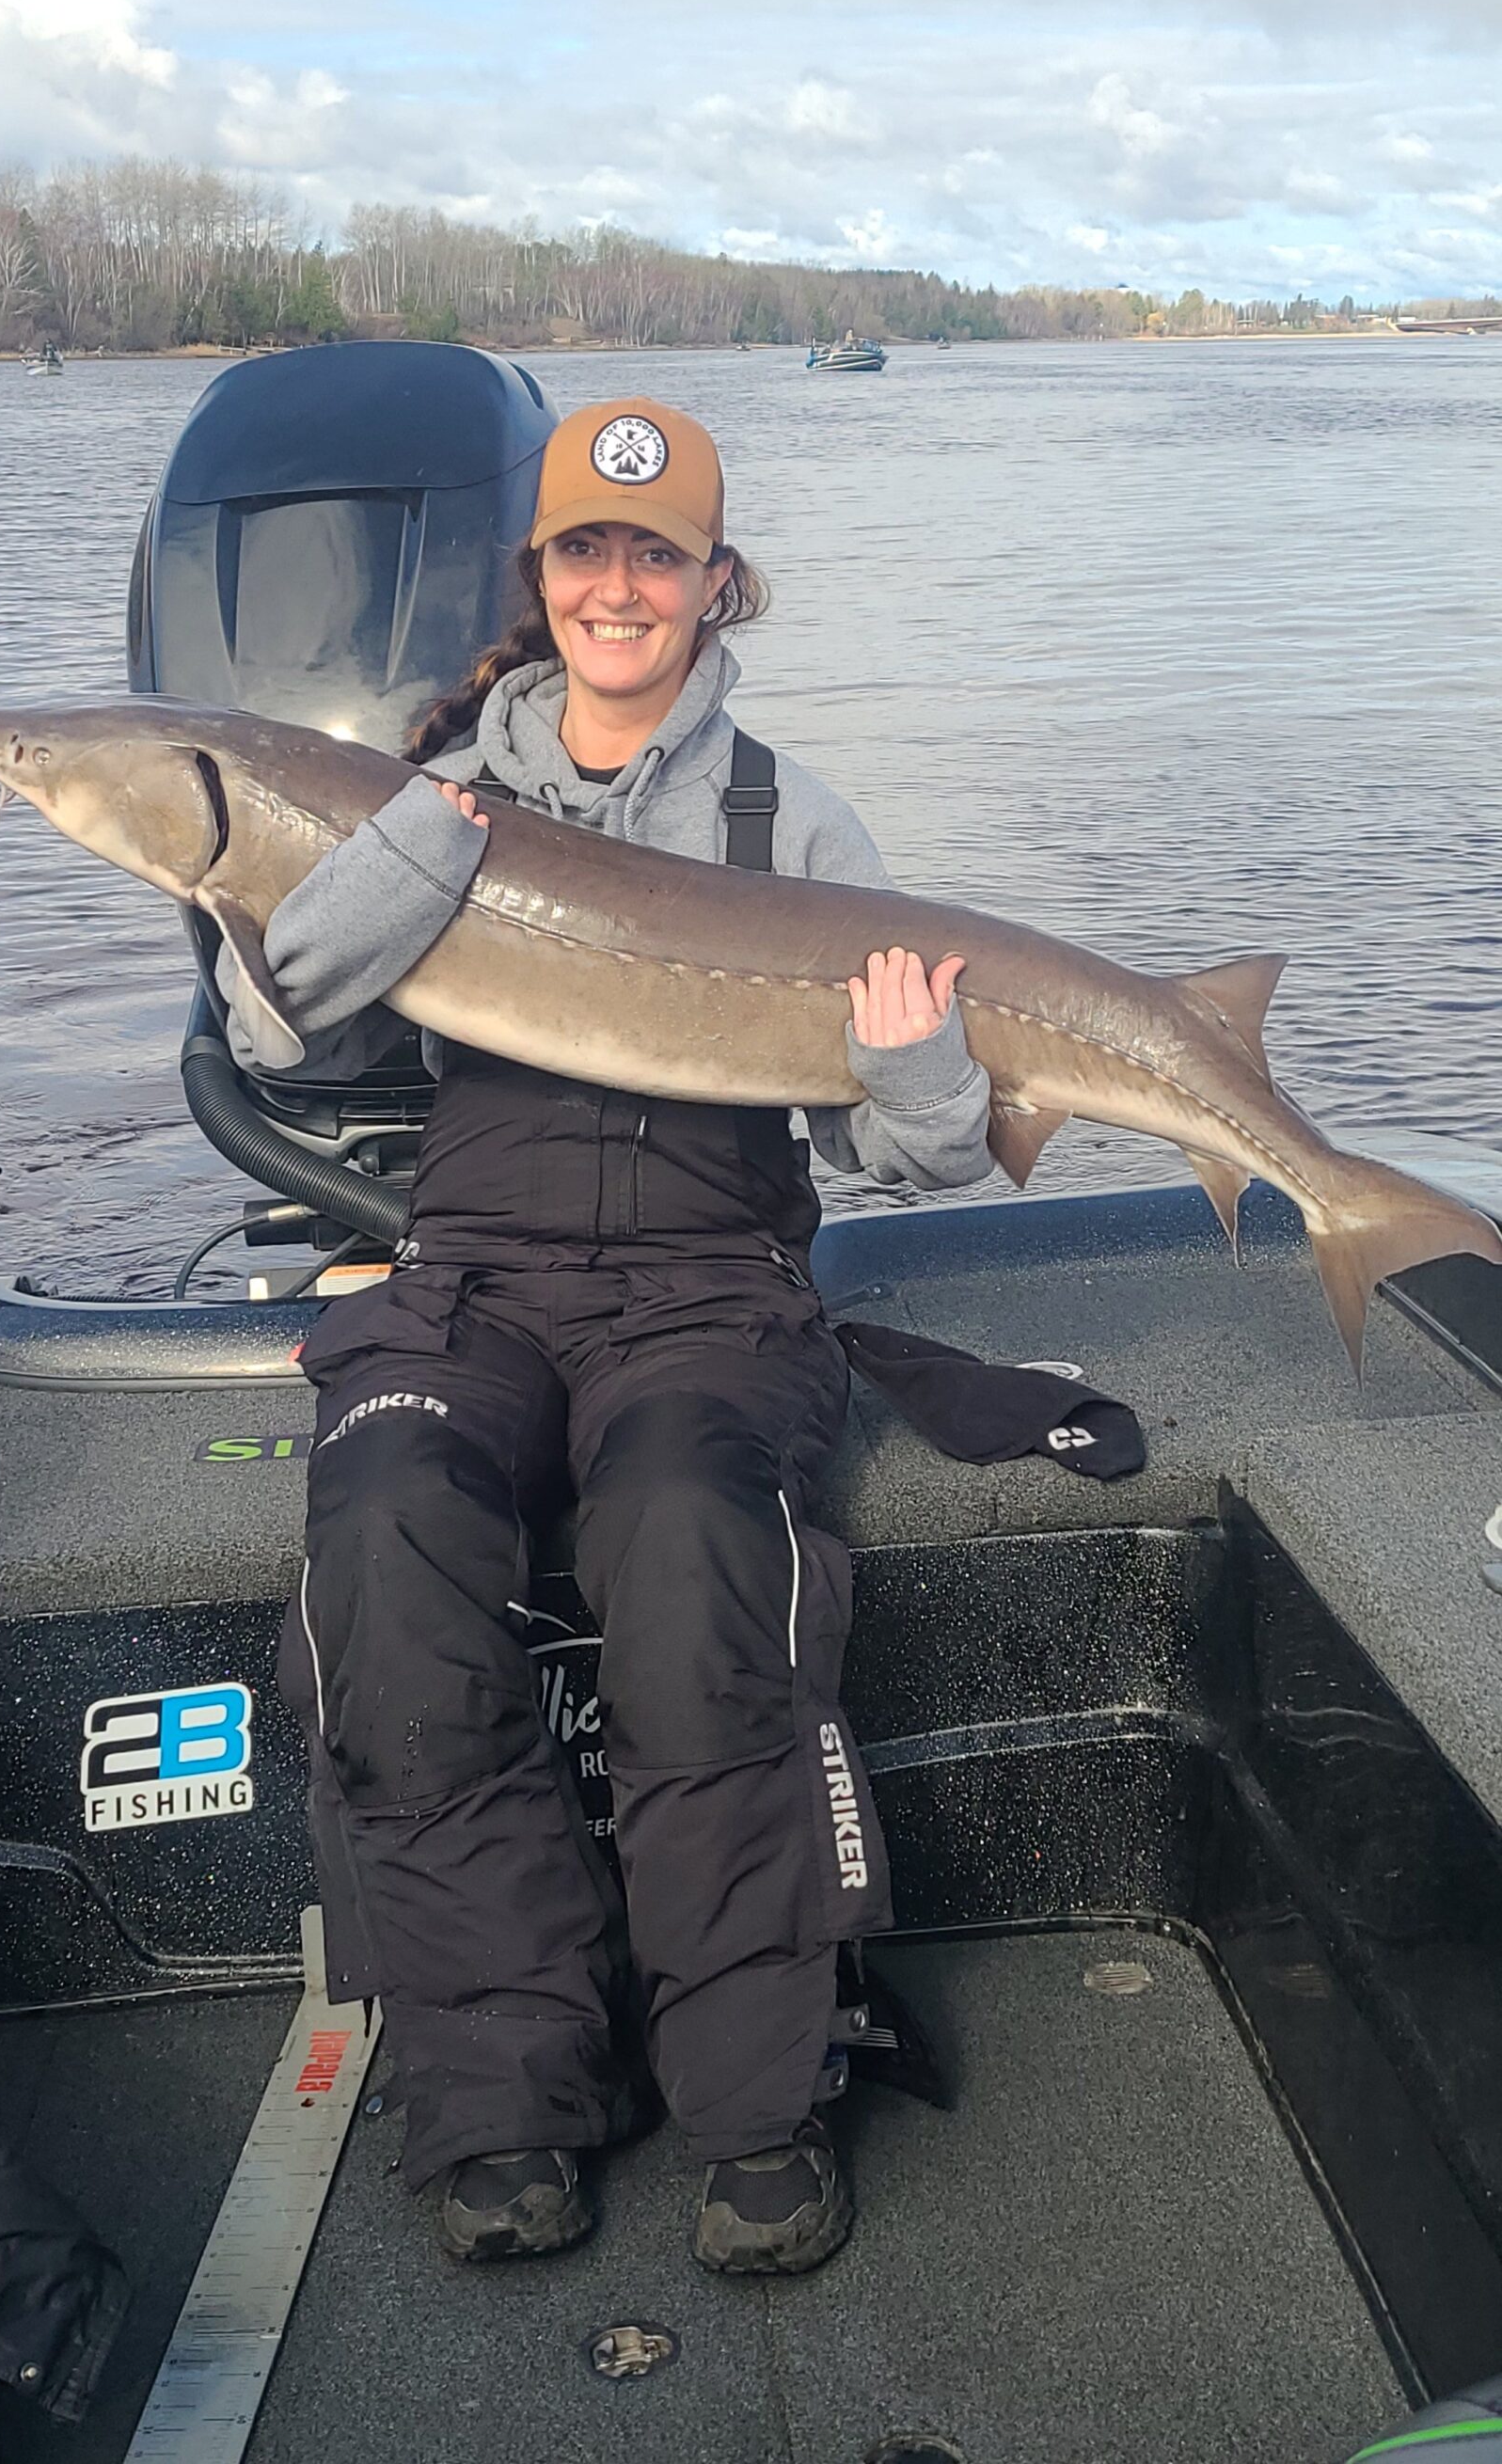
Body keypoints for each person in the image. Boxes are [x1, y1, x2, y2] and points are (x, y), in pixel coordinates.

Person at [219, 395, 993, 2273]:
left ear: (714, 585)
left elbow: (922, 1157)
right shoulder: (424, 790)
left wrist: (912, 1054)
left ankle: (755, 2104)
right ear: (541, 578)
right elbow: (267, 1038)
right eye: (587, 552)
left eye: (659, 555)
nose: (620, 586)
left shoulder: (788, 818)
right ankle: (506, 2103)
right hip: (468, 1284)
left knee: (687, 1548)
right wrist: (414, 857)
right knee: (387, 1535)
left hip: (710, 1300)